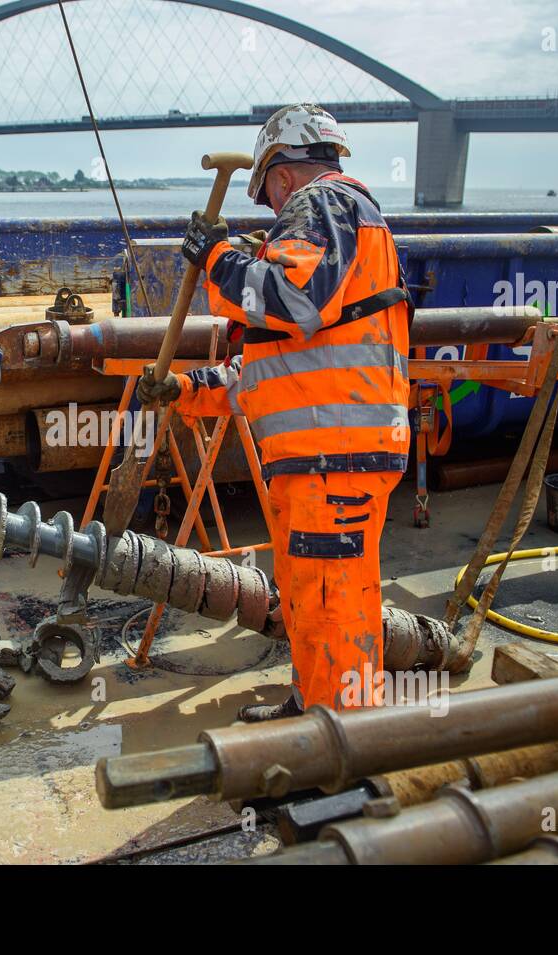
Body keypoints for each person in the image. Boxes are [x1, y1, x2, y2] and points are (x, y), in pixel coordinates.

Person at [139, 104, 411, 721]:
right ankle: (315, 711)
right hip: (329, 452)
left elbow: (290, 300)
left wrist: (216, 258)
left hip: (334, 453)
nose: (272, 215)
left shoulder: (324, 205)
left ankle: (338, 746)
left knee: (332, 604)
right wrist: (184, 389)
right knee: (315, 599)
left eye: (267, 198)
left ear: (282, 176)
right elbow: (268, 372)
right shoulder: (344, 220)